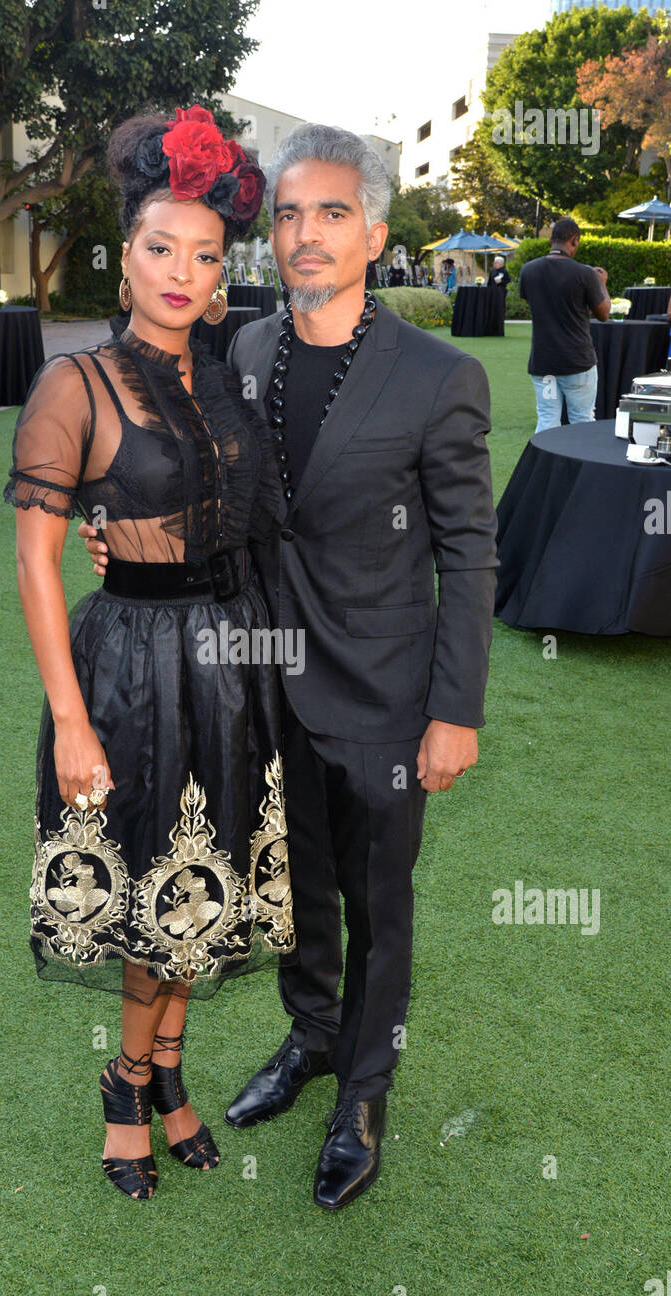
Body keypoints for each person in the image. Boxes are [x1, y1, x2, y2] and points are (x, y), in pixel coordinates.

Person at [83, 122, 498, 1211]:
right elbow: (216, 493)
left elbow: (468, 549)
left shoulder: (440, 377)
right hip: (265, 684)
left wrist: (455, 709)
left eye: (329, 213)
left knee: (377, 903)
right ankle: (312, 1036)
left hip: (387, 699)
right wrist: (120, 530)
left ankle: (364, 1089)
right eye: (287, 215)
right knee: (298, 893)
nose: (304, 236)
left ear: (374, 227)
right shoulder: (252, 352)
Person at [4, 105, 292, 1203]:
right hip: (129, 664)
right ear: (123, 256)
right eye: (161, 248)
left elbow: (237, 514)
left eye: (205, 255)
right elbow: (36, 562)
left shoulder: (222, 378)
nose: (183, 272)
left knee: (203, 885)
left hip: (228, 662)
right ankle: (127, 1083)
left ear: (225, 271)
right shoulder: (72, 387)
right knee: (148, 891)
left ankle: (170, 1069)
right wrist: (71, 719)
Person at [518, 216, 610, 432]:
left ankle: (545, 466)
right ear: (575, 241)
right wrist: (602, 284)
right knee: (582, 420)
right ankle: (582, 467)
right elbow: (604, 314)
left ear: (551, 240)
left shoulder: (528, 270)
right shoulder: (585, 274)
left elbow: (545, 303)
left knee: (547, 419)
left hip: (543, 361)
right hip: (577, 361)